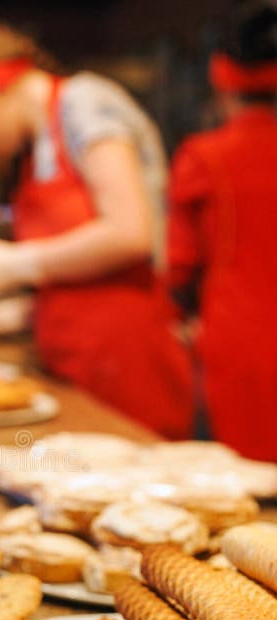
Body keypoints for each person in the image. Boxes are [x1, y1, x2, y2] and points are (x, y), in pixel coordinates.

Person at [0, 18, 194, 439]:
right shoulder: (37, 145)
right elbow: (74, 279)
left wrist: (16, 264)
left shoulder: (84, 103)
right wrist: (5, 317)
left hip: (128, 365)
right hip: (73, 364)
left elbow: (130, 232)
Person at [166, 1, 277, 461]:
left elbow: (179, 263)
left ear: (223, 83)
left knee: (251, 494)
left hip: (242, 341)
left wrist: (180, 309)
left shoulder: (206, 156)